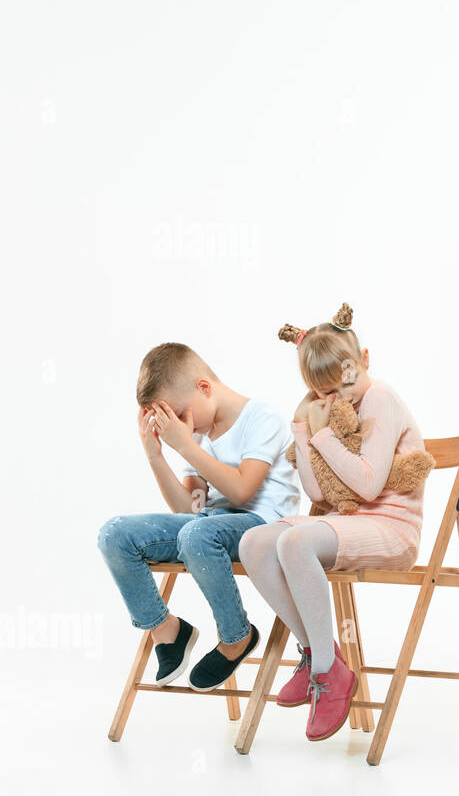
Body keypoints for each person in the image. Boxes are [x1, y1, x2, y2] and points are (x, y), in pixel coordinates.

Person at [239, 303, 428, 742]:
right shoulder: (327, 408)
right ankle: (317, 655)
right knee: (254, 544)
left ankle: (326, 671)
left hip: (391, 528)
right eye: (325, 392)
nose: (341, 397)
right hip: (346, 520)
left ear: (364, 360)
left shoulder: (381, 397)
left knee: (295, 544)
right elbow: (319, 494)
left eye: (347, 383)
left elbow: (366, 485)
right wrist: (304, 433)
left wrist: (323, 435)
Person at [98, 343, 299, 691]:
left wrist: (185, 446)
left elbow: (241, 492)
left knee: (197, 535)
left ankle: (237, 635)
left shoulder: (261, 418)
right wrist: (156, 456)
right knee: (114, 534)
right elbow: (190, 510)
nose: (177, 427)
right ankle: (167, 630)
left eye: (177, 415)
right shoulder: (199, 436)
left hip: (264, 527)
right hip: (208, 529)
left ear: (203, 388)